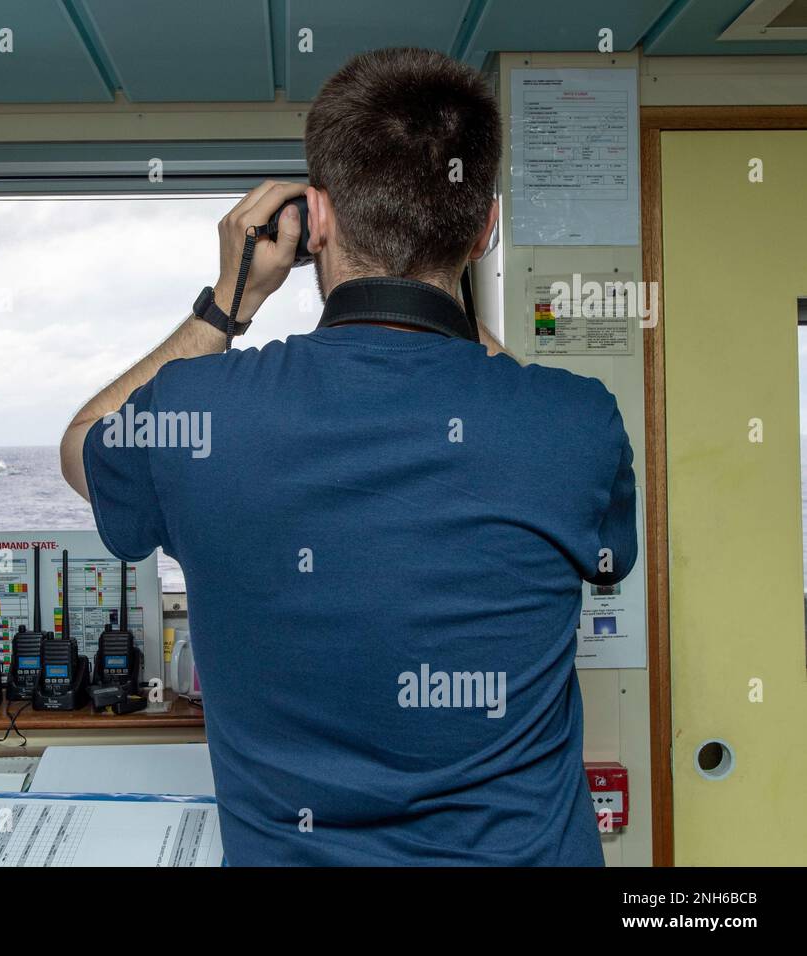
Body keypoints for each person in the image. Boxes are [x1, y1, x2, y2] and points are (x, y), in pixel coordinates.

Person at [59, 47, 637, 865]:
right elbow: (606, 559)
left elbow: (81, 445)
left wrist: (229, 302)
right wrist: (440, 287)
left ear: (316, 218)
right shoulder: (575, 423)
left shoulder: (199, 411)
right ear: (485, 230)